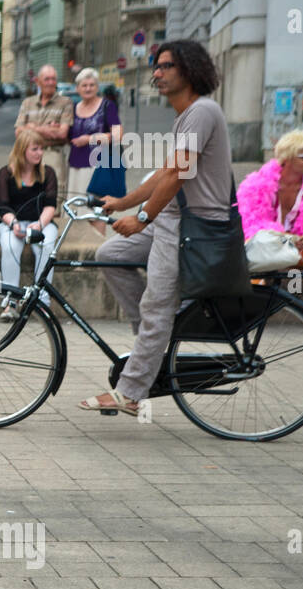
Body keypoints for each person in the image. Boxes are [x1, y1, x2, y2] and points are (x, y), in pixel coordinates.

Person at [84, 40, 235, 415]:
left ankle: (132, 391)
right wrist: (122, 203)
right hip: (171, 218)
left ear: (189, 69)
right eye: (155, 66)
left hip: (191, 225)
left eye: (165, 66)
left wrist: (142, 218)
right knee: (110, 254)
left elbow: (176, 177)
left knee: (156, 302)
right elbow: (164, 173)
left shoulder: (201, 112)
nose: (156, 73)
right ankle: (152, 339)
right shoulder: (186, 116)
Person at [237, 129, 303, 331]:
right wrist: (286, 237)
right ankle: (251, 311)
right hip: (272, 250)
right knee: (252, 248)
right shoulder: (257, 184)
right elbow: (252, 226)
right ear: (287, 158)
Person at [0, 129, 58, 319]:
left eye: (41, 149)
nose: (40, 153)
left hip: (42, 222)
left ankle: (41, 302)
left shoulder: (48, 172)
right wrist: (14, 224)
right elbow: (3, 207)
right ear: (23, 151)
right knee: (10, 247)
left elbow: (50, 205)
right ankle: (11, 301)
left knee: (46, 247)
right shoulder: (5, 173)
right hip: (13, 222)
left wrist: (39, 225)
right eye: (35, 149)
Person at [67, 68, 123, 236]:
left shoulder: (107, 106)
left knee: (96, 214)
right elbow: (69, 135)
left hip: (97, 169)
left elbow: (118, 134)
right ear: (78, 88)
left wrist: (90, 139)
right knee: (76, 213)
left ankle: (97, 254)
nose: (88, 88)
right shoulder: (74, 108)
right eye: (84, 85)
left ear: (97, 87)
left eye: (92, 85)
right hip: (75, 168)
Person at [15, 64, 73, 206]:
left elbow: (62, 133)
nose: (51, 82)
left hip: (53, 155)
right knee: (27, 194)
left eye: (53, 79)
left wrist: (32, 127)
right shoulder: (27, 103)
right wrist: (48, 129)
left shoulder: (65, 103)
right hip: (26, 156)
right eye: (47, 79)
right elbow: (18, 132)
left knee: (55, 196)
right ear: (38, 81)